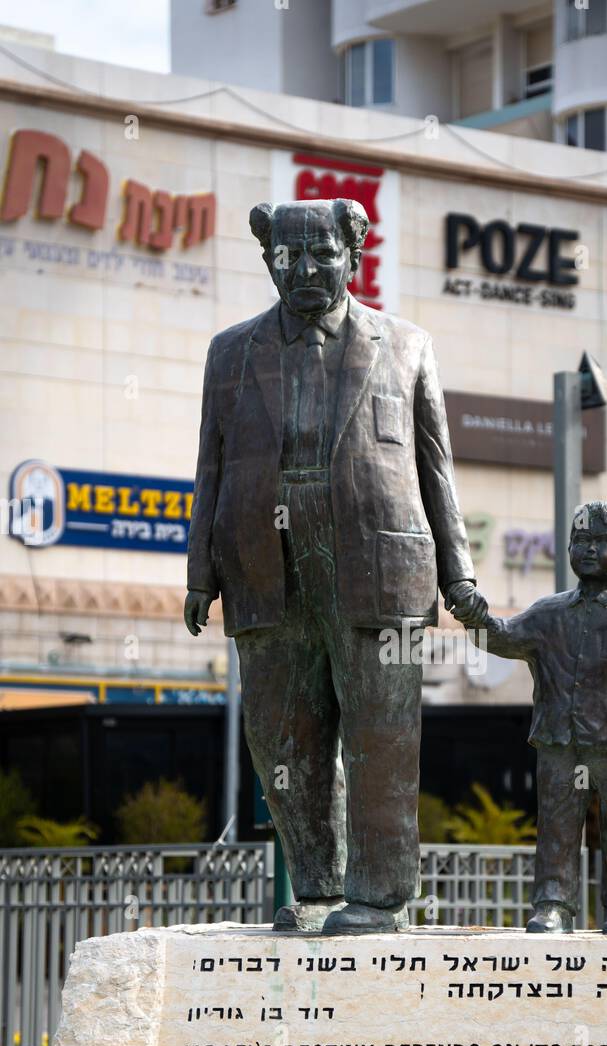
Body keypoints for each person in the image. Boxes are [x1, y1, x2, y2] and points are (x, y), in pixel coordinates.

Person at [185, 198, 478, 934]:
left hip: (382, 561)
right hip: (264, 562)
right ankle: (317, 889)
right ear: (267, 259)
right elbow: (210, 468)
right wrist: (199, 572)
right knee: (281, 738)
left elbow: (437, 468)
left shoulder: (406, 344)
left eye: (322, 255)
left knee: (382, 734)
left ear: (354, 256)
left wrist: (459, 573)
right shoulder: (231, 352)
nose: (305, 269)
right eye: (288, 256)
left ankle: (377, 896)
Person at [449, 501, 607, 935]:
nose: (589, 550)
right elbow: (503, 638)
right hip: (561, 740)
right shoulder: (549, 613)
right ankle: (553, 905)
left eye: (603, 542)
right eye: (581, 541)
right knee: (557, 826)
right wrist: (474, 616)